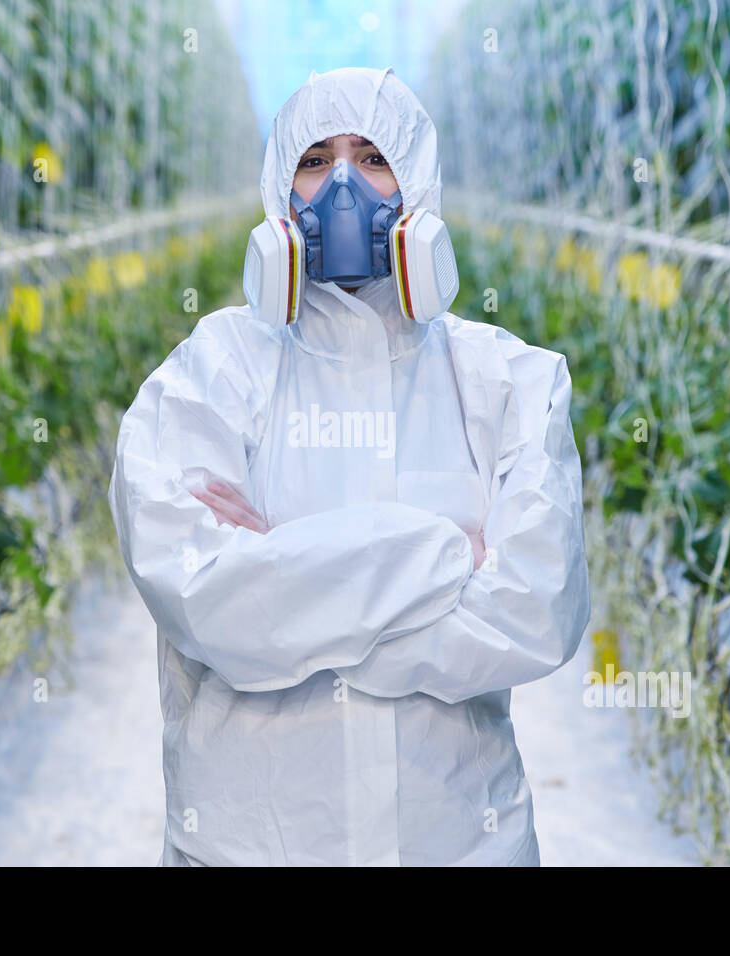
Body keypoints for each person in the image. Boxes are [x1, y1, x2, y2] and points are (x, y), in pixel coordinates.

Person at [108, 66, 590, 866]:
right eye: (313, 161)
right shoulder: (214, 371)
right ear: (278, 192)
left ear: (418, 185)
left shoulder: (510, 381)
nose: (341, 189)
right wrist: (444, 558)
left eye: (371, 157)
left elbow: (535, 613)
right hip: (248, 846)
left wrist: (281, 574)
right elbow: (202, 600)